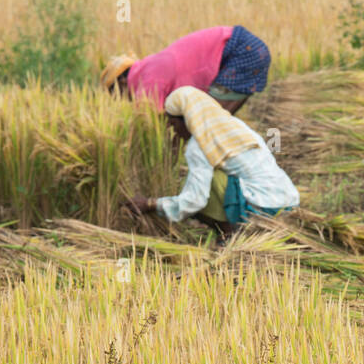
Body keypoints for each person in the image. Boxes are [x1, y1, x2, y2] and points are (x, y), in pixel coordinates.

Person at [125, 87, 299, 235]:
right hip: (288, 202)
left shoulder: (199, 145)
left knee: (203, 184)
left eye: (173, 123)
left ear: (188, 120)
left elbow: (194, 201)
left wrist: (151, 204)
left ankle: (228, 234)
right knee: (207, 179)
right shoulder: (234, 124)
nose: (172, 130)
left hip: (263, 209)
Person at [101, 25, 271, 113]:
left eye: (115, 94)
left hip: (241, 53)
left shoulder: (148, 81)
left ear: (122, 83)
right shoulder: (150, 67)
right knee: (218, 127)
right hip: (251, 48)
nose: (122, 101)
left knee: (210, 127)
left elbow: (148, 124)